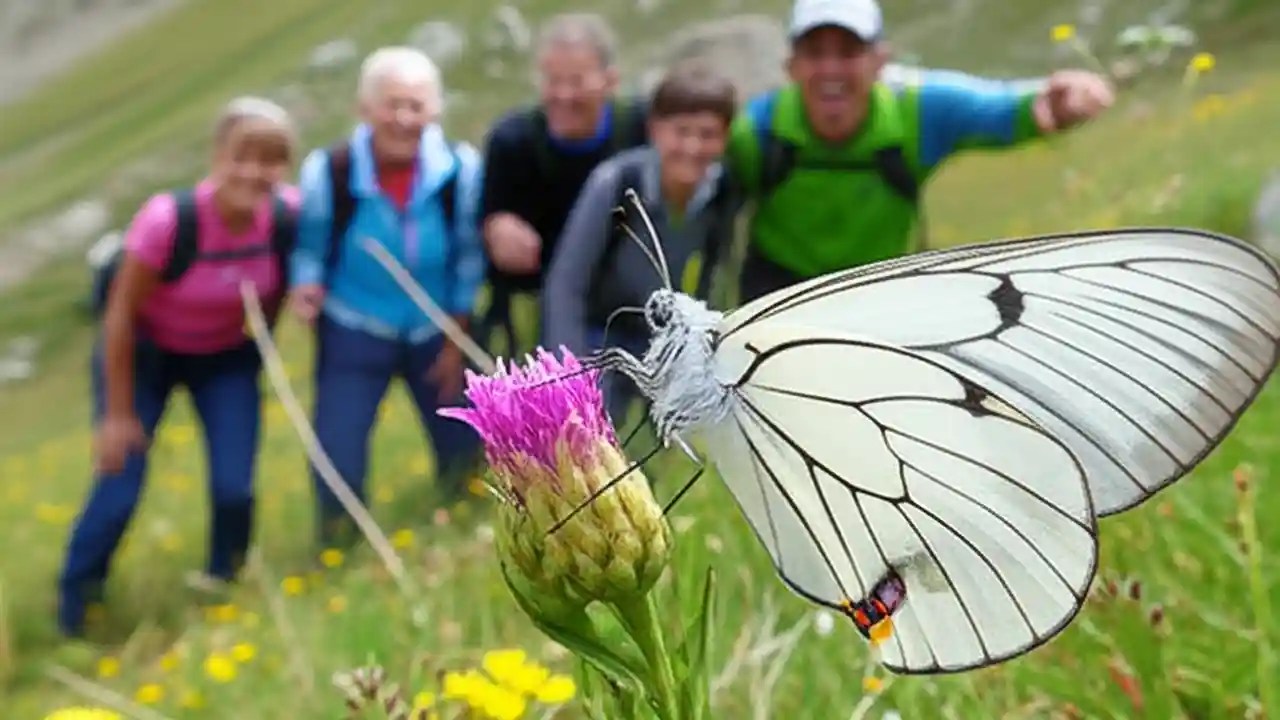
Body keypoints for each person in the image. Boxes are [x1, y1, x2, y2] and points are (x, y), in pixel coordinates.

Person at [58, 97, 300, 638]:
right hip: (145, 358)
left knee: (236, 486)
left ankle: (224, 585)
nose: (255, 171)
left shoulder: (286, 217)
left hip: (225, 360)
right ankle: (76, 606)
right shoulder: (168, 221)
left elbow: (281, 292)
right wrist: (117, 415)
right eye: (243, 156)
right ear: (217, 156)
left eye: (271, 159)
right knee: (119, 485)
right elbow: (118, 316)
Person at [726, 0, 1116, 302]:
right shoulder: (756, 130)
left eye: (848, 51)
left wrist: (1064, 99)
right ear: (791, 66)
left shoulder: (917, 112)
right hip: (777, 291)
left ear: (880, 61)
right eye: (815, 53)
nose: (831, 70)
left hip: (883, 287)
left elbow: (1012, 108)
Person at [287, 47, 485, 548]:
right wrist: (306, 285)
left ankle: (465, 532)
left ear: (435, 110)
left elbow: (468, 259)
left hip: (437, 332)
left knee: (466, 453)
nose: (403, 118)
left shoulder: (461, 171)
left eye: (416, 105)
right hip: (353, 329)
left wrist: (454, 341)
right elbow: (310, 246)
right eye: (390, 104)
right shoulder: (327, 171)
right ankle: (341, 546)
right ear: (364, 108)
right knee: (338, 455)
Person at [543, 61, 739, 426]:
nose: (693, 146)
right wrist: (568, 375)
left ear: (726, 137)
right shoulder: (616, 183)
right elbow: (567, 283)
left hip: (672, 345)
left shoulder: (724, 190)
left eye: (708, 133)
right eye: (681, 131)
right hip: (603, 337)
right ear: (655, 130)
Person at [477, 12, 650, 357]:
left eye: (576, 81)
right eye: (552, 81)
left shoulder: (638, 127)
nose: (563, 95)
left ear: (609, 81)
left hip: (621, 300)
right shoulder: (511, 140)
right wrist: (496, 228)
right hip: (536, 296)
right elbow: (488, 215)